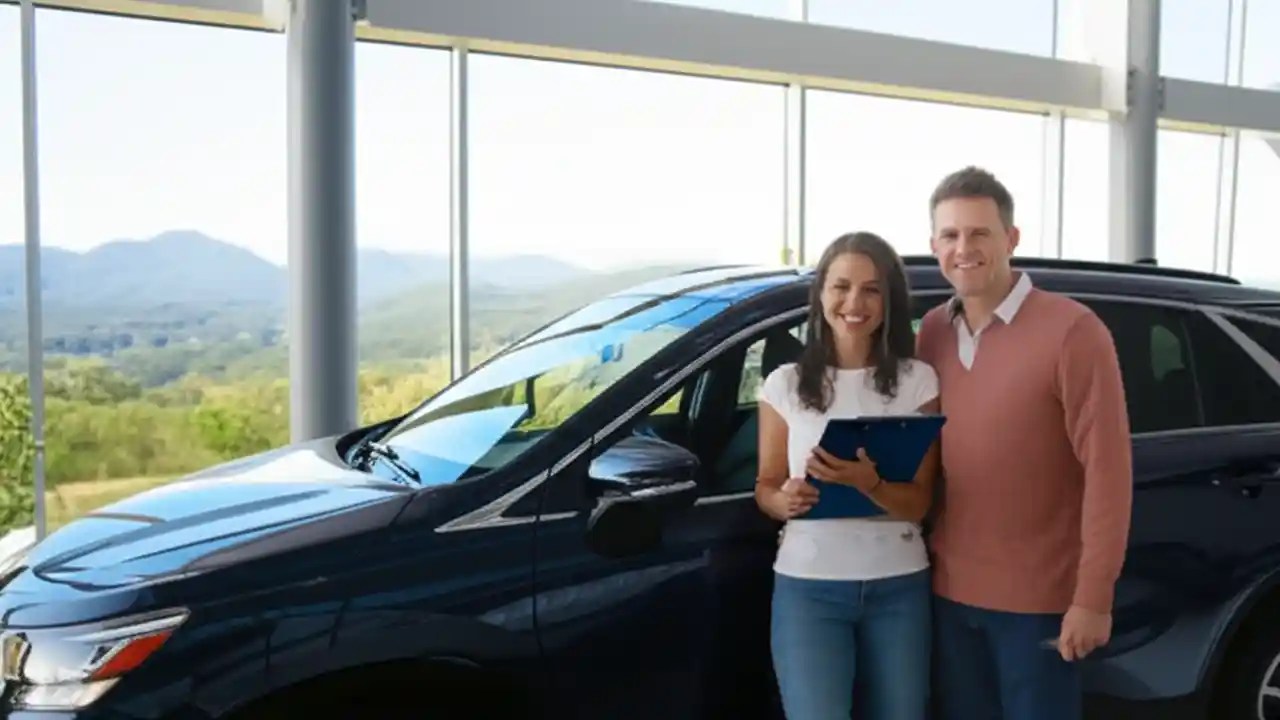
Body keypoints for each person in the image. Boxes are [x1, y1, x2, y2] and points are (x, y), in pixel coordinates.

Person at [915, 166, 1133, 720]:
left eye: (980, 233)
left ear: (1011, 238)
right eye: (950, 235)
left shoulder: (1074, 331)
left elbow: (1109, 474)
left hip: (1040, 604)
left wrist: (1092, 598)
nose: (964, 248)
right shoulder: (933, 332)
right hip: (949, 595)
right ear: (933, 245)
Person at [755, 231, 942, 720]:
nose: (854, 302)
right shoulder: (784, 385)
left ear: (888, 301)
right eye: (840, 286)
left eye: (871, 289)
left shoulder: (917, 381)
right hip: (808, 586)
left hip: (899, 583)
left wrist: (870, 484)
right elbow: (766, 484)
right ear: (821, 295)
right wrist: (782, 501)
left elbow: (920, 503)